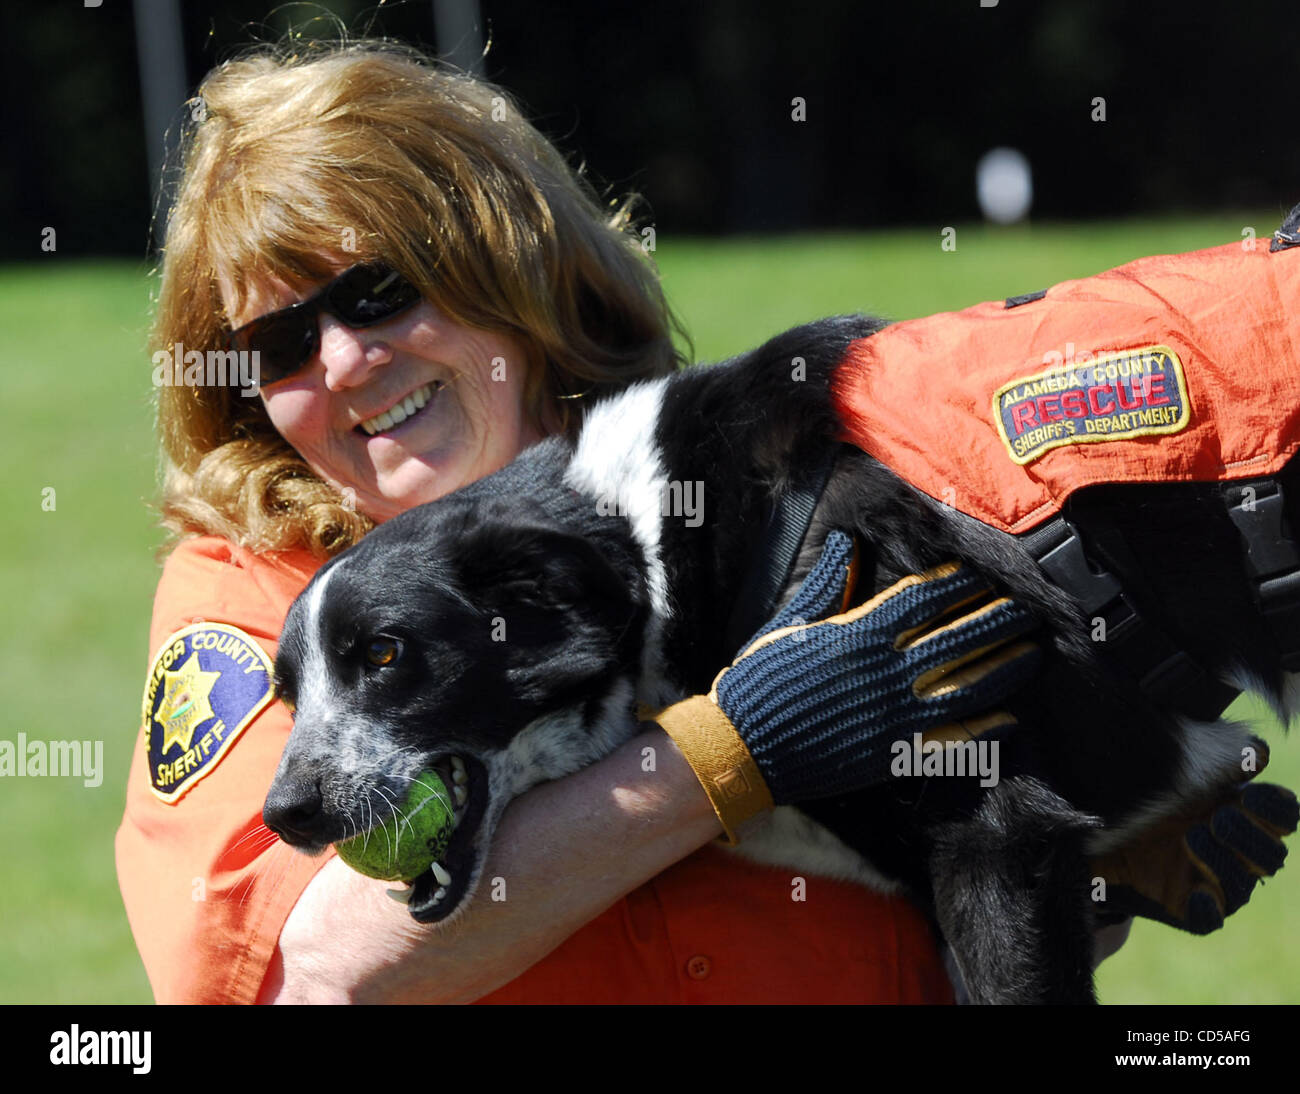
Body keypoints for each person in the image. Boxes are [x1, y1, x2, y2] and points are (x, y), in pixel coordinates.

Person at [116, 40, 1289, 1005]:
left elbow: (965, 885)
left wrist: (1094, 840)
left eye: (379, 291)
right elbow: (291, 983)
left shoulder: (731, 488)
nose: (345, 360)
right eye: (276, 344)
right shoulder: (264, 598)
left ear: (506, 265)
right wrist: (726, 752)